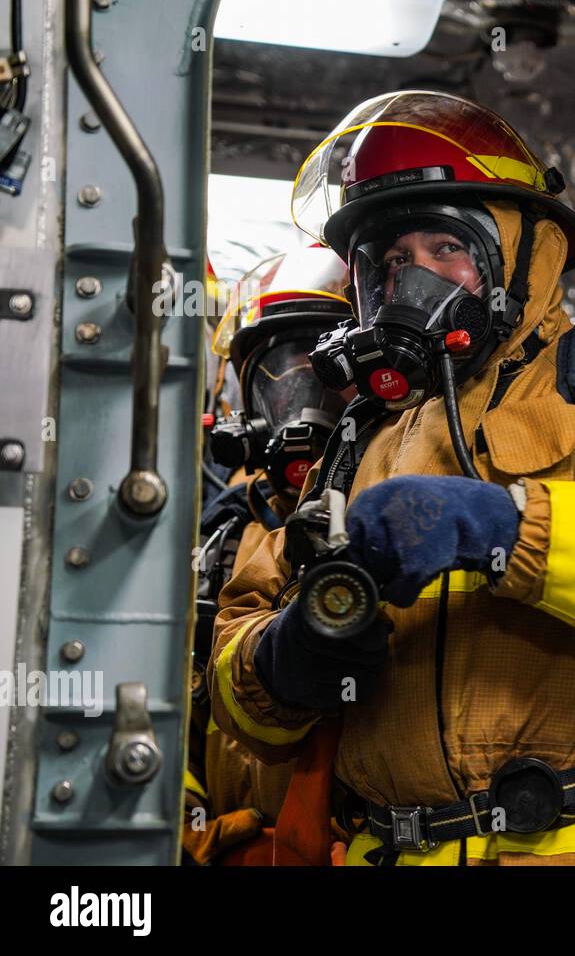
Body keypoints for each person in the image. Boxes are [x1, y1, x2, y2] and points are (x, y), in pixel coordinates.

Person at [208, 93, 575, 866]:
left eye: (446, 246)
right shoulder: (359, 443)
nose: (412, 281)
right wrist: (281, 658)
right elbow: (242, 667)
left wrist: (509, 530)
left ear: (519, 255)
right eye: (388, 261)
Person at [186, 246, 353, 865]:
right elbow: (163, 715)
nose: (303, 412)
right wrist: (211, 842)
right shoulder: (218, 542)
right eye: (277, 385)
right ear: (242, 402)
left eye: (326, 382)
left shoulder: (404, 522)